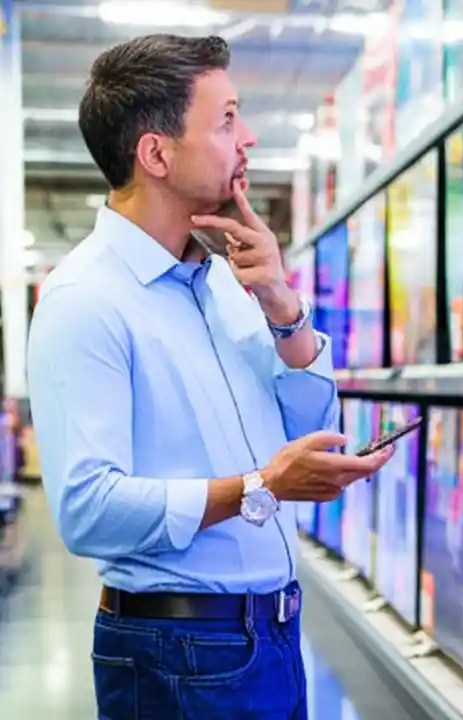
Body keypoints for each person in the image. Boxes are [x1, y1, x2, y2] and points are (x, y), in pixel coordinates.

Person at [25, 34, 394, 719]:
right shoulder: (86, 300)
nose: (247, 137)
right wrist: (260, 488)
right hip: (177, 652)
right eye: (226, 119)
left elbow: (310, 433)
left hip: (269, 635)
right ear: (156, 153)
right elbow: (87, 511)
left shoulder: (224, 282)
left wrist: (285, 310)